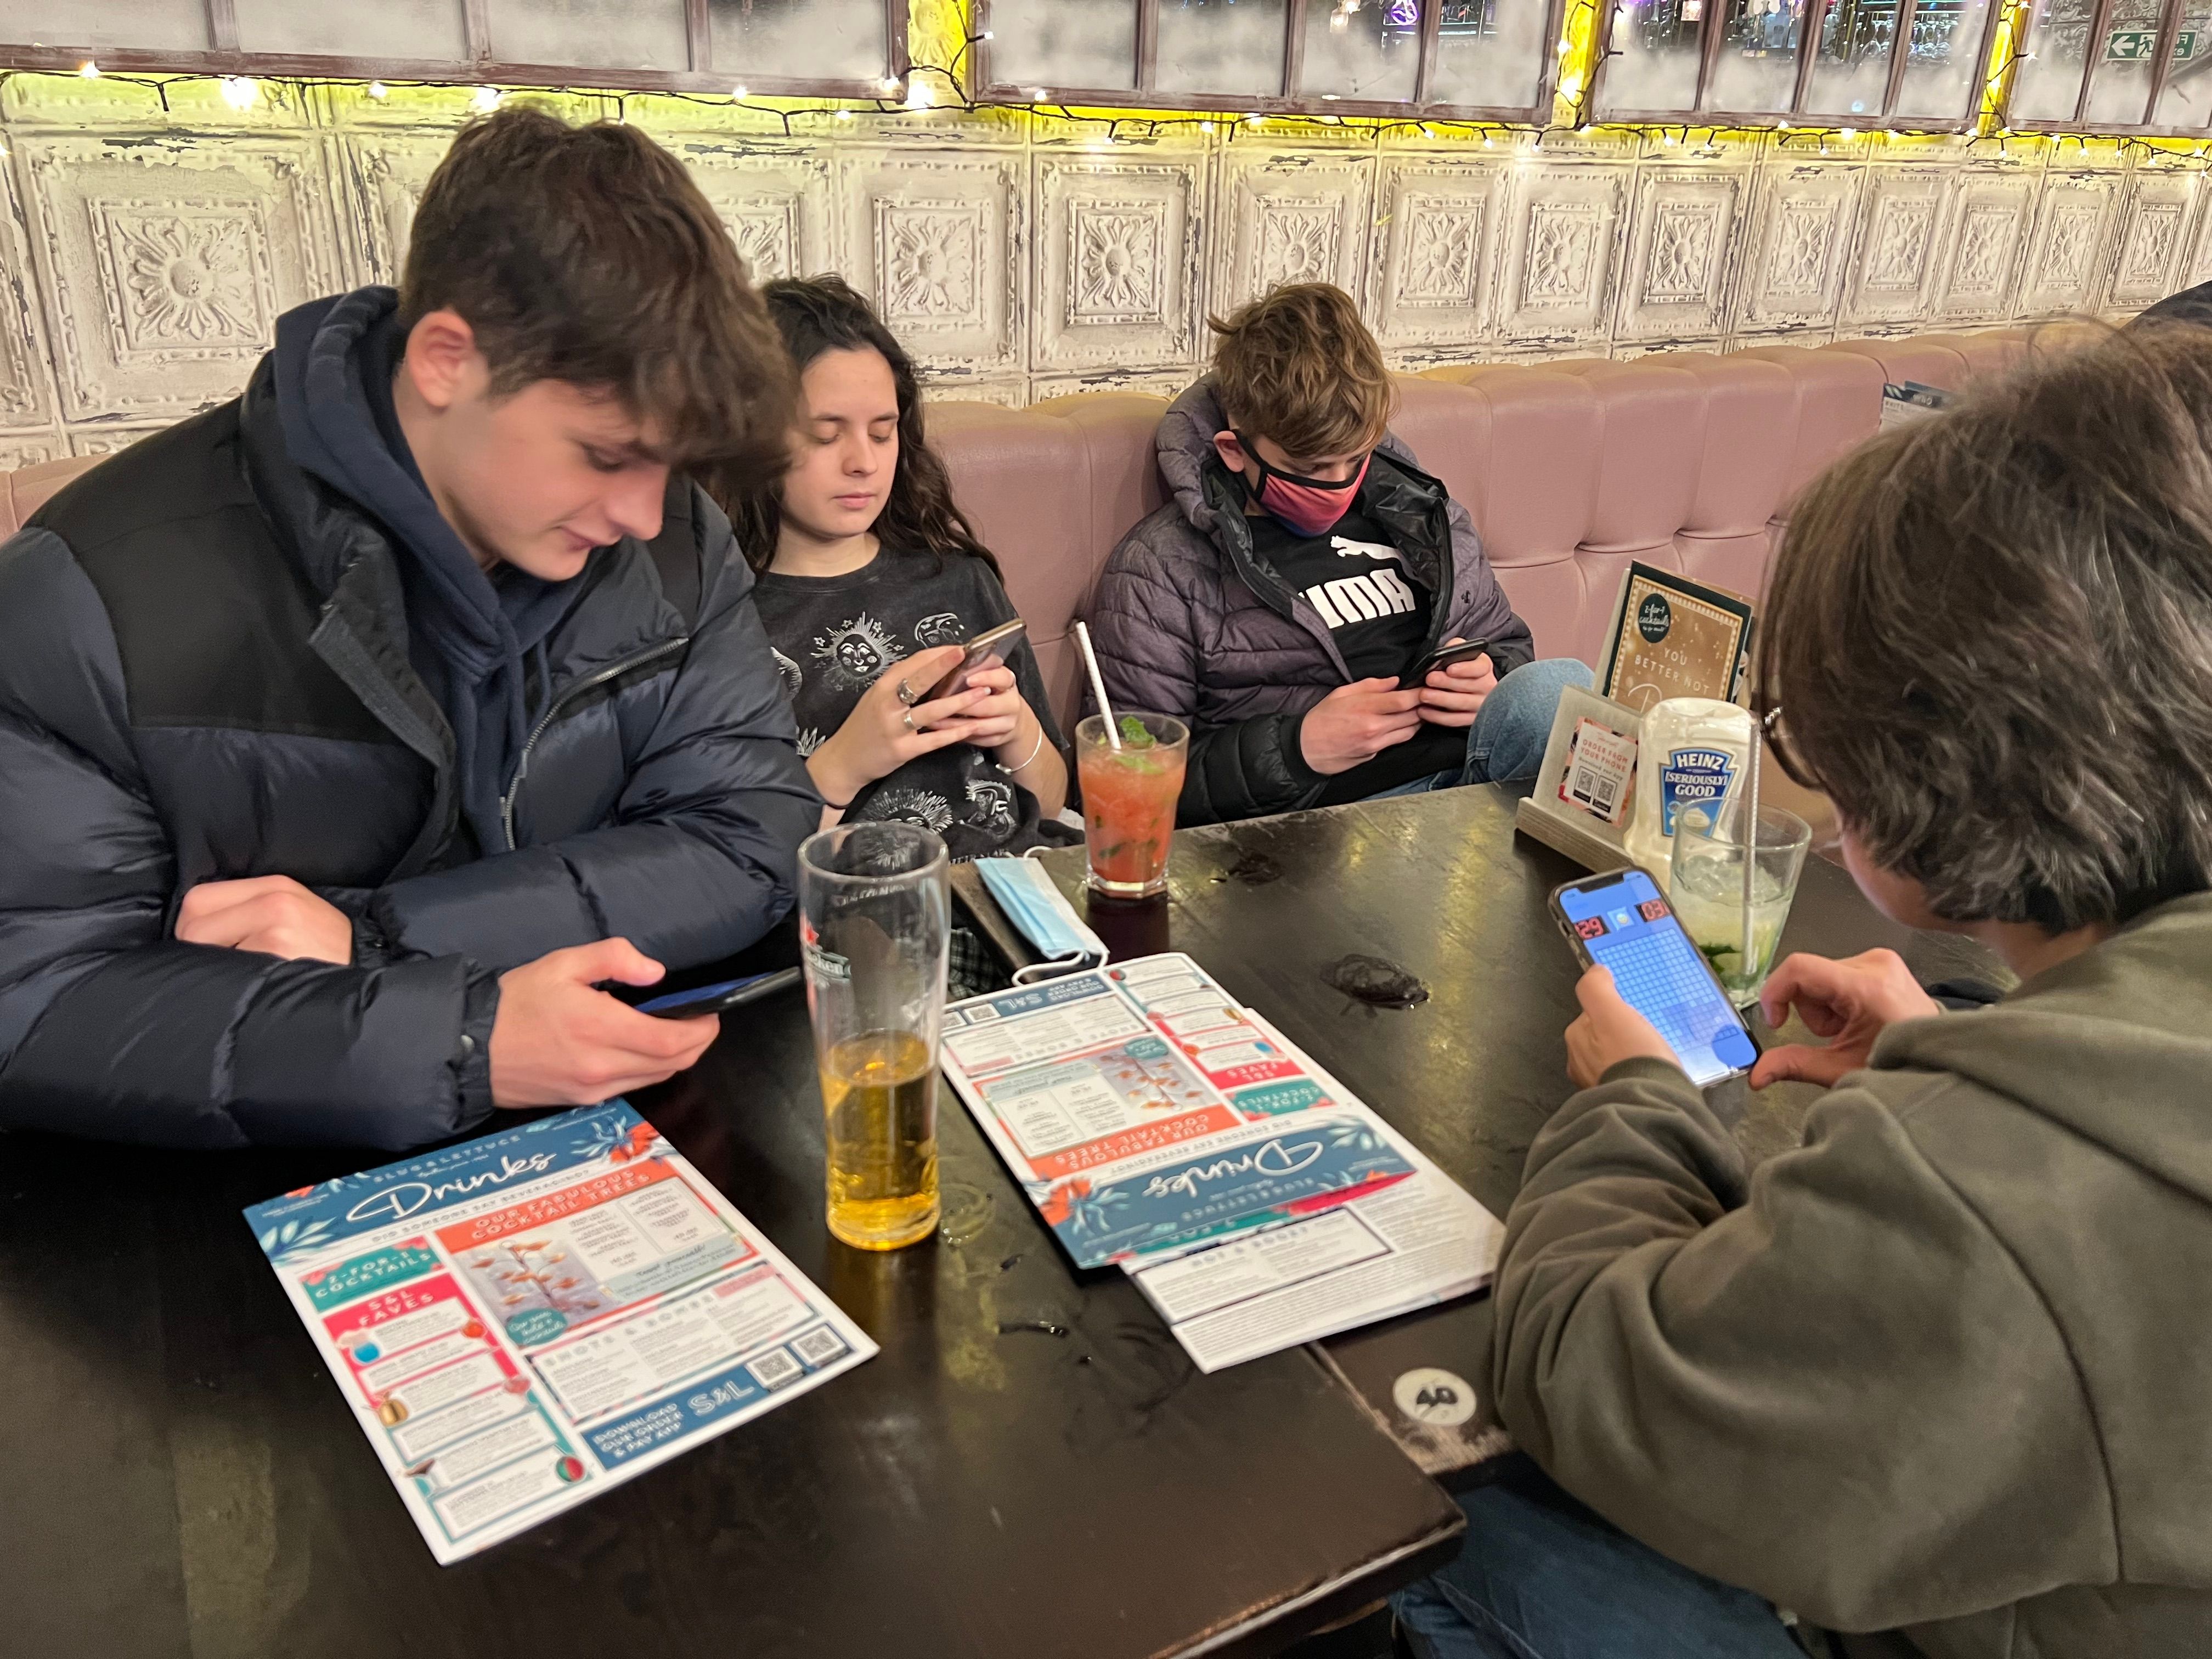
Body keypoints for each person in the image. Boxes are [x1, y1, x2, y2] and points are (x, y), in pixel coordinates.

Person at [1395, 324, 2212, 1657]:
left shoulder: (2001, 1185)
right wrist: (1961, 1058)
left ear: (1923, 764)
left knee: (1430, 1491)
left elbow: (1585, 1374)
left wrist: (1643, 1095)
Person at [0, 109, 819, 1152]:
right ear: (447, 360)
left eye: (672, 465)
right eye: (606, 455)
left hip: (621, 1127)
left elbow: (751, 834)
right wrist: (460, 1039)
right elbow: (33, 997)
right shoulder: (90, 596)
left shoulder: (675, 546)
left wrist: (377, 942)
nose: (645, 516)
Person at [1086, 281, 1590, 826]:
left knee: (1560, 692)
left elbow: (1510, 648)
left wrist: (1490, 683)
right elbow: (1128, 779)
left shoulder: (1423, 514)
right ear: (1235, 452)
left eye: (1356, 458)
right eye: (1308, 470)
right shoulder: (1161, 569)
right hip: (1322, 828)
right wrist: (1296, 749)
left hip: (1472, 783)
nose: (1339, 485)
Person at [704, 274, 1072, 862]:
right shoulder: (718, 621)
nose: (864, 463)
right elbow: (724, 874)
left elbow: (1053, 808)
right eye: (825, 437)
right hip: (856, 924)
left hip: (1021, 899)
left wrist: (1015, 729)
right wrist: (845, 762)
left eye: (884, 432)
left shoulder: (957, 579)